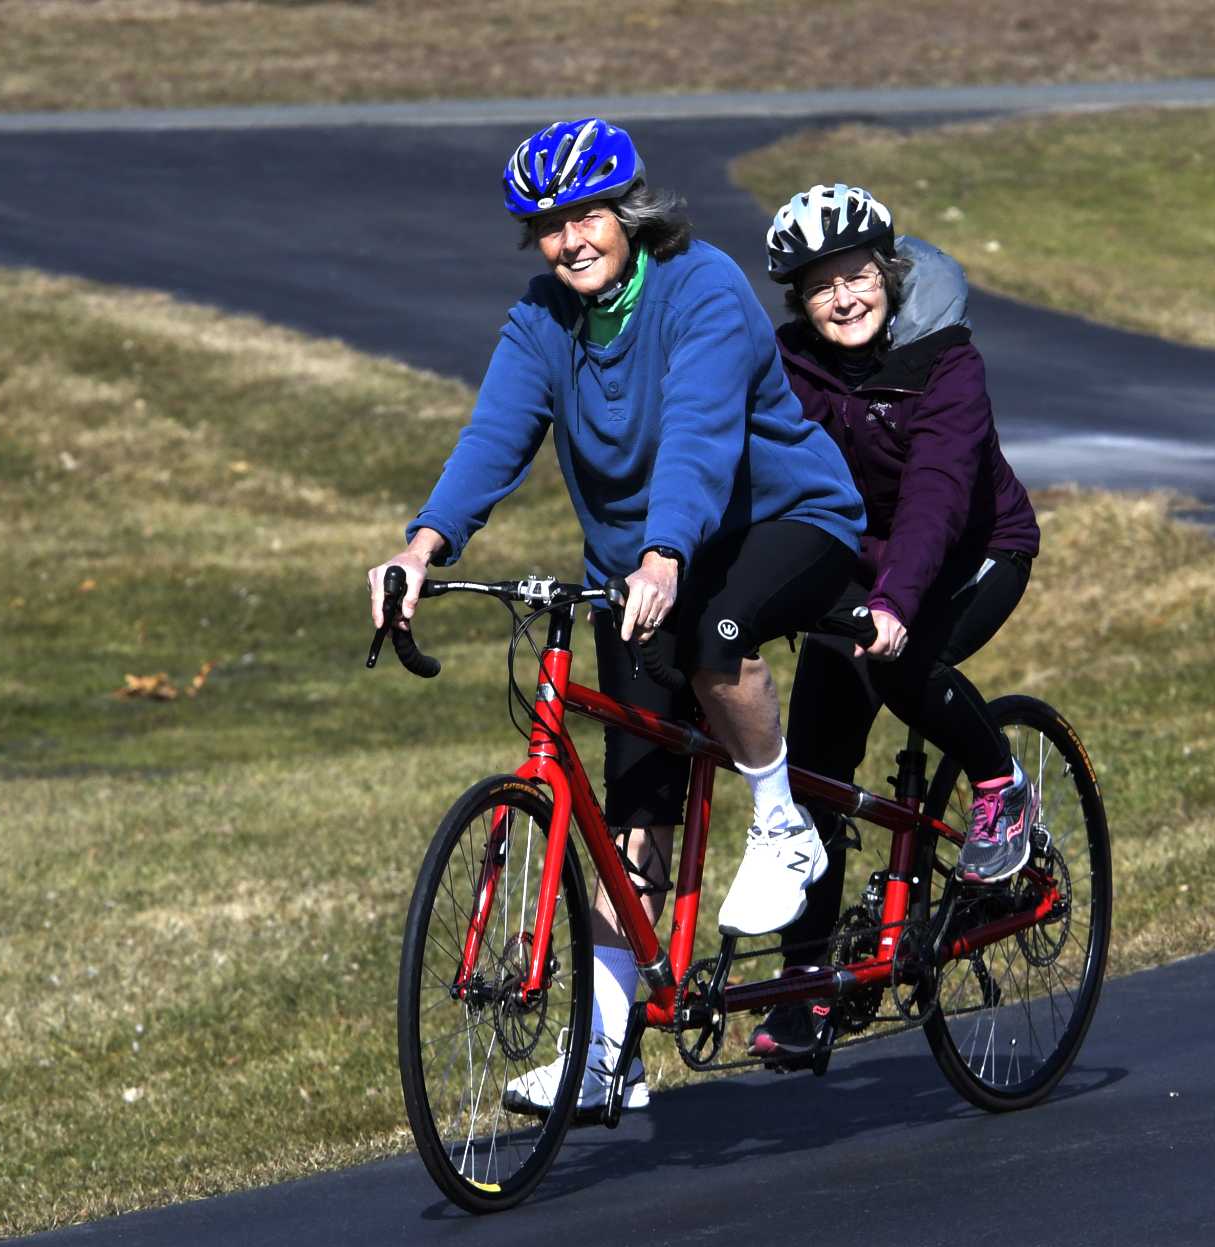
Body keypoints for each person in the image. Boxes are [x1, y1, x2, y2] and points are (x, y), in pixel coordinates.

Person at [366, 121, 865, 1112]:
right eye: (548, 227)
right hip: (641, 567)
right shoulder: (543, 315)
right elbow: (494, 434)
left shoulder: (702, 287)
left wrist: (665, 551)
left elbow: (699, 434)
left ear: (629, 214)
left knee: (718, 638)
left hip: (779, 521)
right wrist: (421, 548)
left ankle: (782, 825)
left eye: (586, 217)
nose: (570, 241)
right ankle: (602, 1059)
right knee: (632, 815)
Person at [751, 183, 1042, 1059]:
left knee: (901, 666)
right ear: (798, 301)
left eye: (857, 277)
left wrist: (894, 603)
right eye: (820, 287)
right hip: (859, 565)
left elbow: (936, 499)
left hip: (970, 551)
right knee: (813, 775)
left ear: (888, 272)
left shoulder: (945, 360)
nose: (843, 300)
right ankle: (806, 988)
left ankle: (1000, 782)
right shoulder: (790, 365)